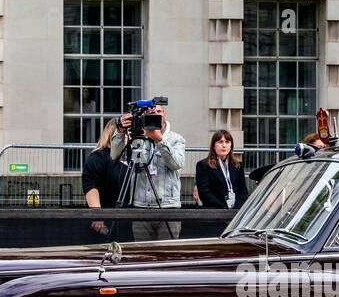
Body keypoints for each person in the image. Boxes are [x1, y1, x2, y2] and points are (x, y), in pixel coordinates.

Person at [110, 101, 185, 242]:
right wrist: (120, 131)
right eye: (151, 113)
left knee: (167, 255)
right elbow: (114, 155)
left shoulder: (176, 139)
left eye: (159, 112)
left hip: (168, 207)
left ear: (165, 115)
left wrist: (159, 140)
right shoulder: (137, 137)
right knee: (143, 253)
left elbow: (176, 164)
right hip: (141, 206)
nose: (155, 115)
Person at [83, 119, 132, 240]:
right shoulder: (98, 157)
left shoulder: (134, 158)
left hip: (129, 219)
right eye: (125, 132)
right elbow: (90, 186)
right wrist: (98, 214)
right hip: (106, 220)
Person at [195, 130, 249, 209]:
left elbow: (243, 192)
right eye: (220, 142)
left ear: (231, 146)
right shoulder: (204, 165)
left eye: (227, 142)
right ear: (214, 146)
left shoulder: (238, 165)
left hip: (235, 212)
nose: (224, 145)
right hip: (215, 212)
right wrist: (224, 208)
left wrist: (236, 208)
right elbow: (204, 193)